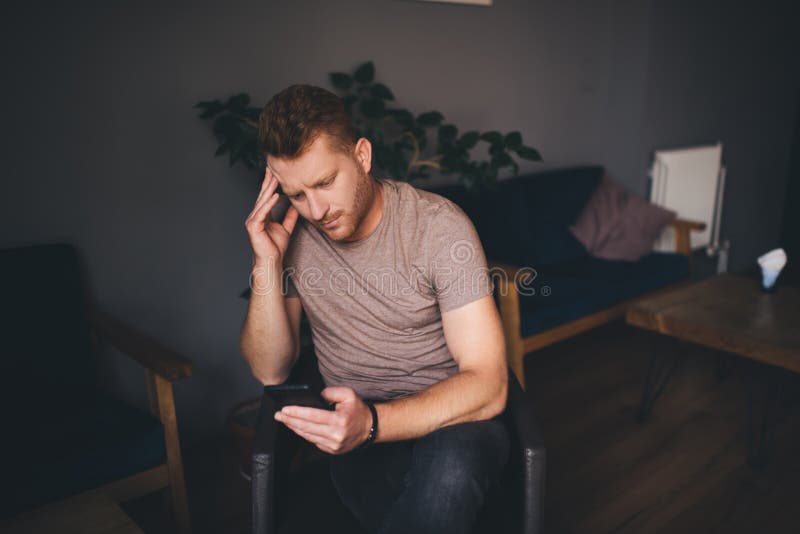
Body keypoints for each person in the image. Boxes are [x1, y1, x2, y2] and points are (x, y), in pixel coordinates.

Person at [239, 84, 509, 534]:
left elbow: (489, 383)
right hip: (356, 421)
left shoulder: (439, 228)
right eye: (298, 195)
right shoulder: (293, 241)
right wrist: (267, 263)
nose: (317, 210)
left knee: (447, 481)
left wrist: (372, 424)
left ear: (362, 156)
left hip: (452, 418)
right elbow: (270, 370)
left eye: (326, 182)